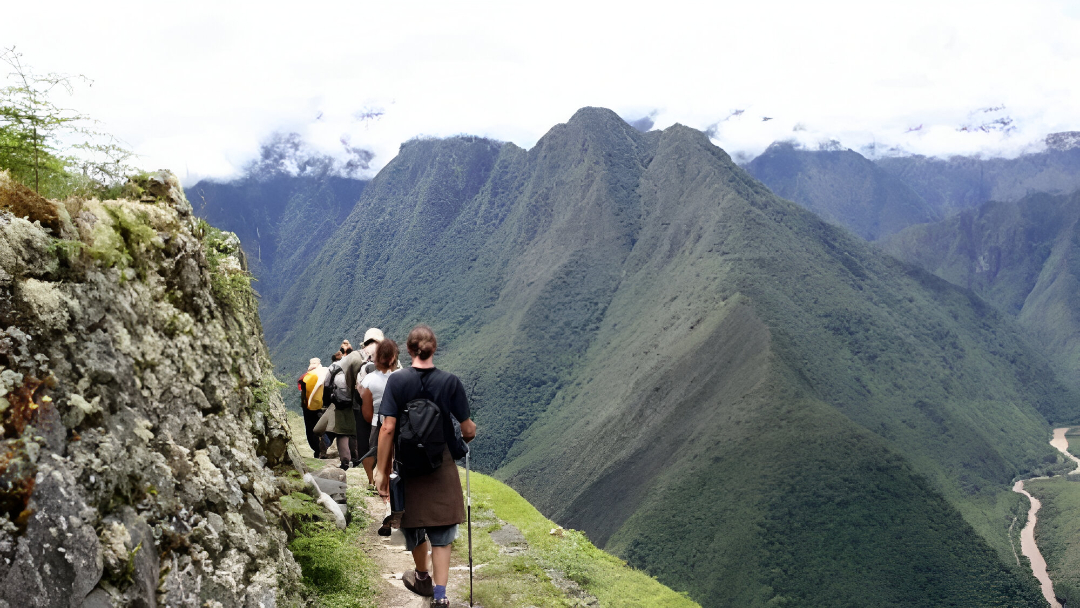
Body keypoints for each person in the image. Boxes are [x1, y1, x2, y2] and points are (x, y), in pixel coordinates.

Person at [377, 325, 476, 605]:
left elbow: (387, 428)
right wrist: (466, 434)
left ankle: (422, 576)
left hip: (407, 466)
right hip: (440, 463)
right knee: (442, 533)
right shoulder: (450, 382)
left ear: (408, 351)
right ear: (435, 349)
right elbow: (467, 429)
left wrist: (382, 471)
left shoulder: (397, 382)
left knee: (414, 525)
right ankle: (441, 597)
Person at [358, 339, 398, 491]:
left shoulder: (369, 379)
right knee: (395, 454)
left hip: (377, 422)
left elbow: (367, 412)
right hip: (398, 422)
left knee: (374, 451)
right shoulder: (401, 376)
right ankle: (392, 483)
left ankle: (373, 481)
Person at [323, 350, 356, 469]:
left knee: (341, 434)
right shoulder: (352, 366)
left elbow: (326, 385)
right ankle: (356, 458)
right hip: (353, 405)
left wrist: (327, 403)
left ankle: (345, 461)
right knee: (353, 433)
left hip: (338, 405)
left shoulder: (333, 368)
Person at [297, 358, 330, 458]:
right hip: (318, 406)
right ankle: (321, 448)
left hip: (311, 406)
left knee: (313, 429)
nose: (313, 365)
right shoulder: (323, 373)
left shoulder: (308, 376)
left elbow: (301, 388)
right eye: (312, 363)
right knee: (319, 428)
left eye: (314, 363)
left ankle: (318, 449)